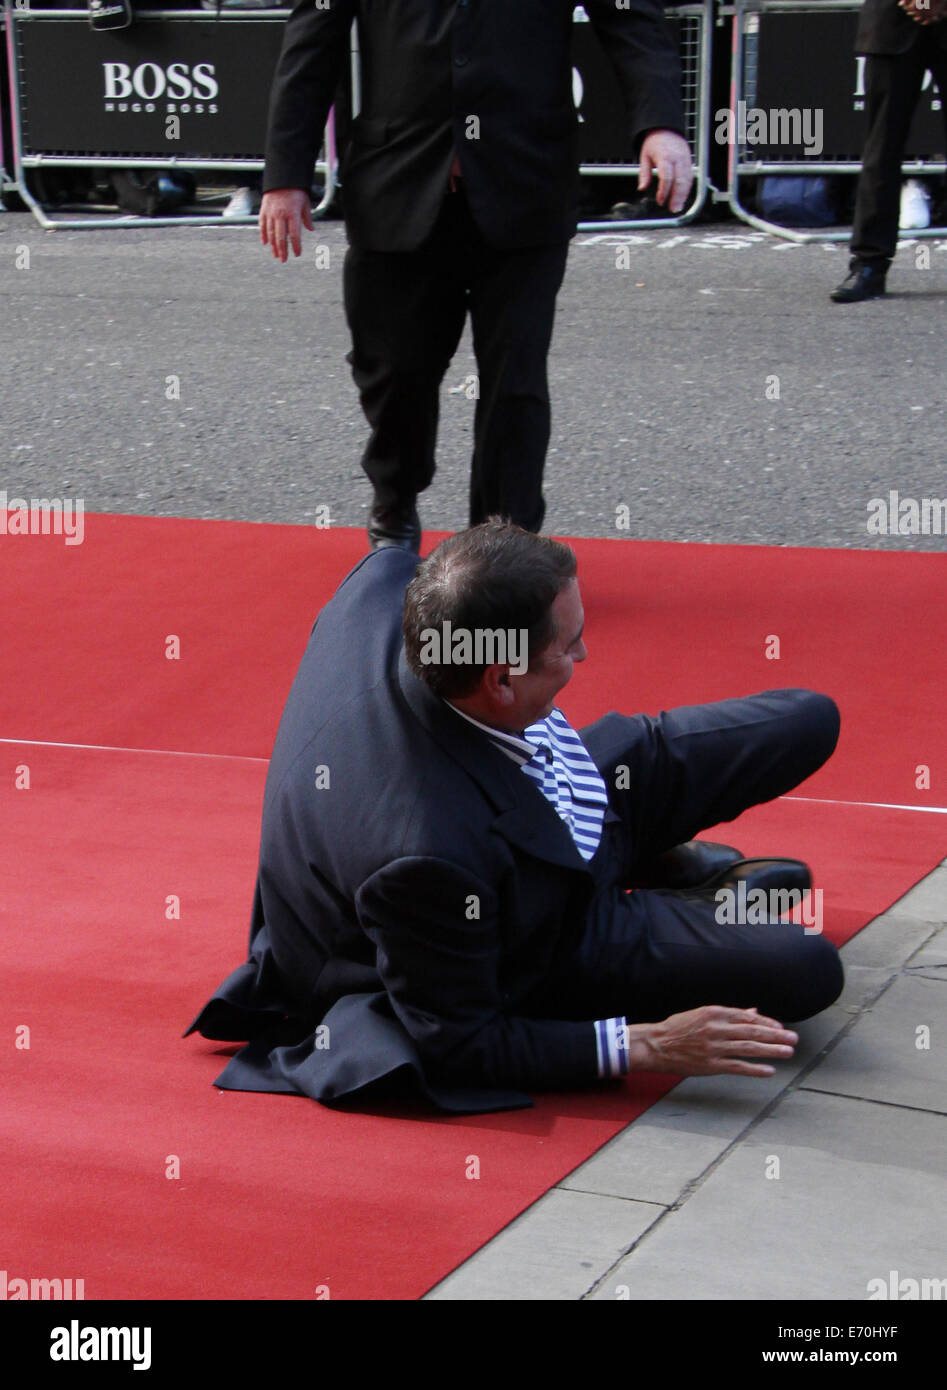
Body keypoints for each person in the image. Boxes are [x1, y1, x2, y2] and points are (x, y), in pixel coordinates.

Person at [185, 522, 844, 1115]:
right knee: (808, 969)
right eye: (570, 643)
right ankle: (683, 905)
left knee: (806, 719)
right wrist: (647, 1045)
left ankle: (674, 887)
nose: (583, 655)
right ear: (500, 680)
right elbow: (462, 1042)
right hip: (531, 917)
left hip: (561, 782)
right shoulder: (425, 857)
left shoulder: (382, 586)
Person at [257, 1, 693, 551]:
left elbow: (631, 19)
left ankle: (501, 543)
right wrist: (285, 175)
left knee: (515, 382)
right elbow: (311, 40)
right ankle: (394, 508)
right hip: (398, 180)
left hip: (525, 180)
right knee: (393, 372)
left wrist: (659, 125)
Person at [832, 0, 947, 303]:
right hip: (893, 18)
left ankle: (869, 264)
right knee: (882, 148)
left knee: (881, 148)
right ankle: (869, 264)